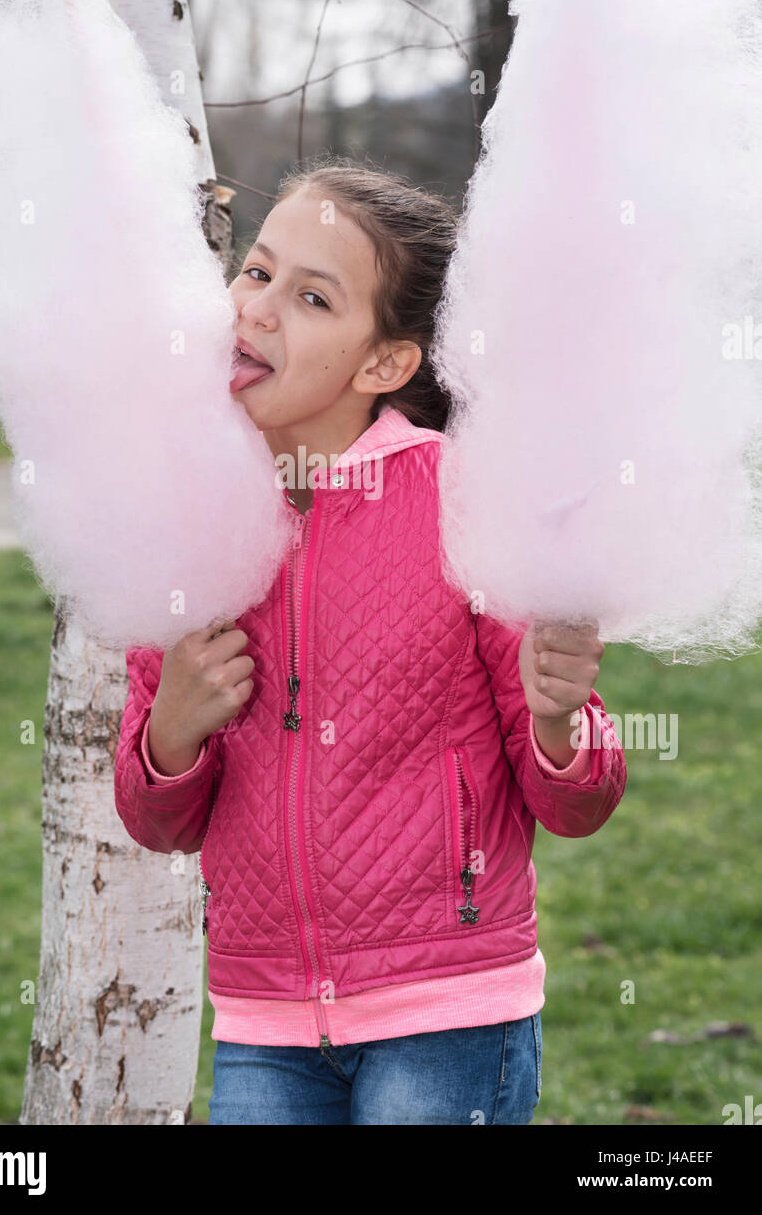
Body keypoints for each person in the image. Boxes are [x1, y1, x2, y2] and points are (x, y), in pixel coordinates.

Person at [114, 157, 627, 1126]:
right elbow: (157, 821)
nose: (257, 309)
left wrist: (561, 719)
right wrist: (173, 730)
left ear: (385, 365)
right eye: (257, 272)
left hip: (448, 1012)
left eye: (312, 297)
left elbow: (575, 803)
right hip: (264, 1020)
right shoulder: (181, 516)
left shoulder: (467, 501)